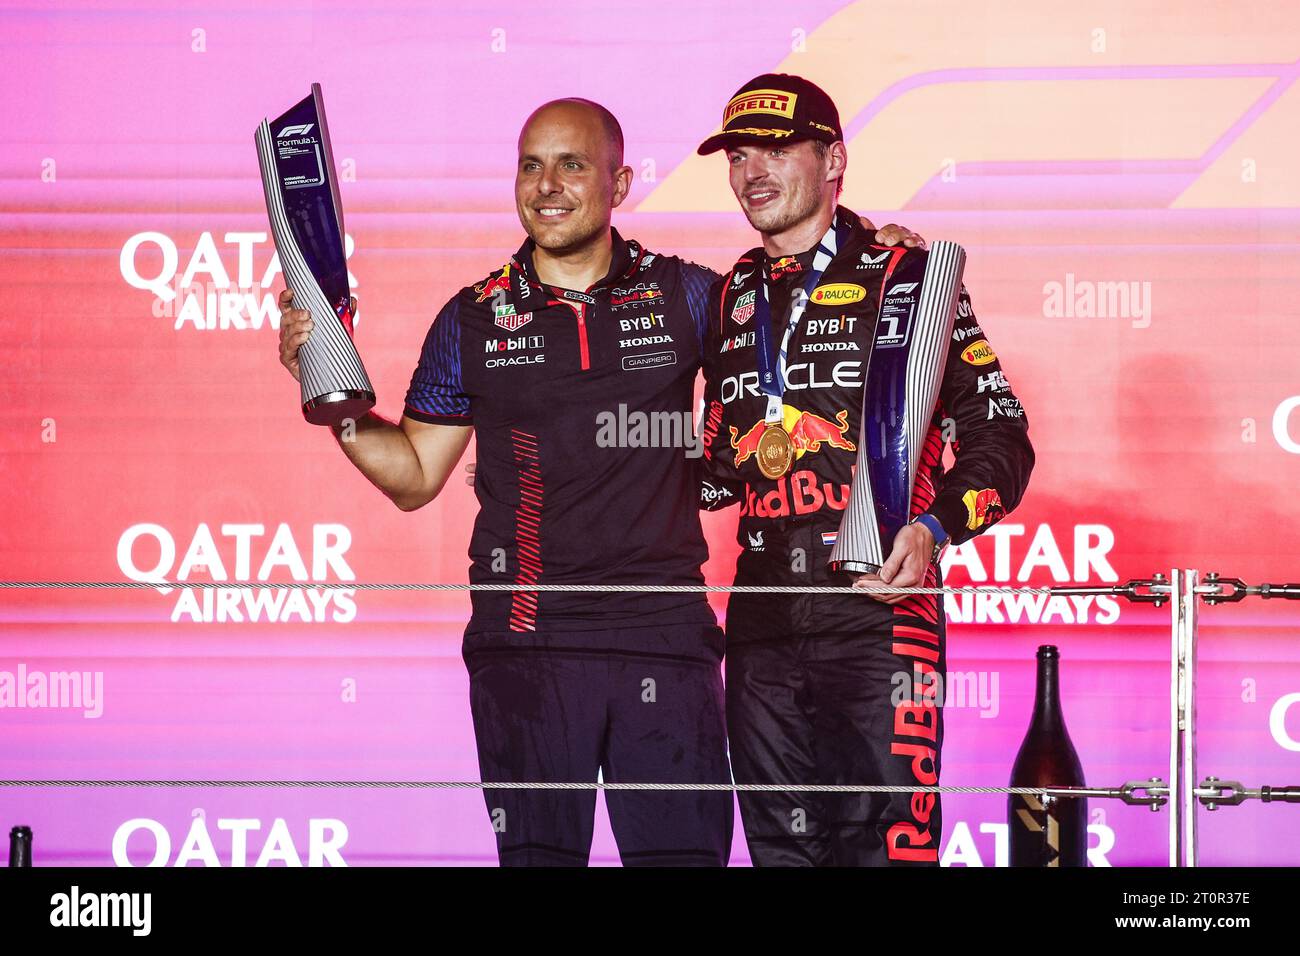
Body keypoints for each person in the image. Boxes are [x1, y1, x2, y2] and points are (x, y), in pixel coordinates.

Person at [278, 95, 916, 866]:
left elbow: (792, 314)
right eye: (530, 166)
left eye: (572, 165)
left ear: (618, 185)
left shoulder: (688, 295)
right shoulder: (472, 317)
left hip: (667, 643)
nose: (547, 185)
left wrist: (877, 250)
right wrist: (334, 404)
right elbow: (414, 477)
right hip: (526, 646)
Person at [697, 74, 1036, 865]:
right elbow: (719, 465)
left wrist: (933, 528)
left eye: (778, 151)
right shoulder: (730, 295)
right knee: (781, 848)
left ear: (835, 157)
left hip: (879, 606)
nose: (754, 173)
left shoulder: (908, 276)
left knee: (890, 848)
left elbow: (1001, 438)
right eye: (740, 156)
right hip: (761, 615)